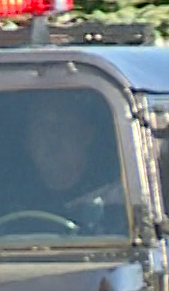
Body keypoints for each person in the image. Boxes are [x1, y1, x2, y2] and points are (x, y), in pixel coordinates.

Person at [23, 96, 123, 234]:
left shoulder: (118, 199)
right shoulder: (10, 205)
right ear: (28, 142)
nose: (52, 133)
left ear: (86, 135)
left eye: (63, 123)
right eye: (42, 124)